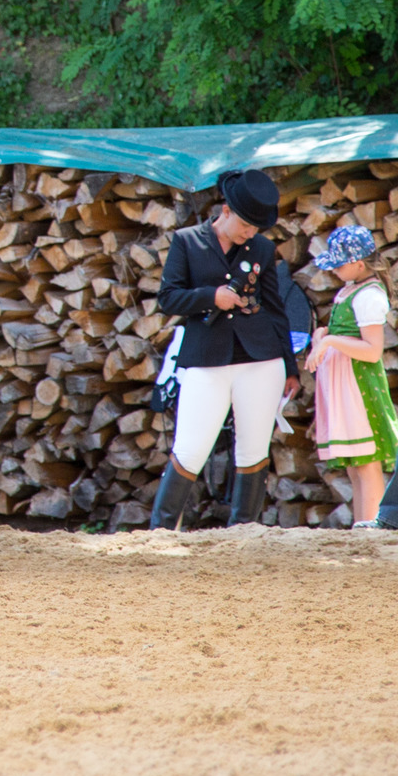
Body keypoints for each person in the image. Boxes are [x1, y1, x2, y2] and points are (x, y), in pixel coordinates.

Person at [148, 169, 299, 529]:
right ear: (226, 211)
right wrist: (210, 297)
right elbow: (168, 298)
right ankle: (160, 531)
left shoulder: (262, 247)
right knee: (191, 448)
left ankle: (243, 533)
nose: (251, 234)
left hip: (262, 359)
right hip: (205, 357)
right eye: (246, 225)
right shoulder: (186, 241)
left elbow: (276, 310)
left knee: (252, 449)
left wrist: (290, 368)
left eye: (255, 228)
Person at [303, 225, 394, 528]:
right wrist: (323, 334)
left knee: (367, 462)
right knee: (355, 465)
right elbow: (345, 331)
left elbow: (371, 350)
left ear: (359, 263)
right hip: (342, 386)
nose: (335, 271)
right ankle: (362, 524)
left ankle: (375, 525)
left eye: (339, 264)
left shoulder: (369, 296)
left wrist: (329, 342)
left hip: (359, 386)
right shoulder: (348, 290)